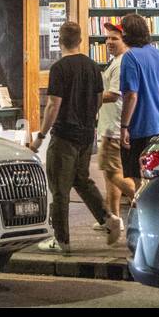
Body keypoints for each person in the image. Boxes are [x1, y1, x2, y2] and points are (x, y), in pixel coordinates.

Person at [30, 21, 120, 253]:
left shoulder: (59, 68)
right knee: (81, 179)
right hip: (86, 133)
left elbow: (53, 104)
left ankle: (61, 240)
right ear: (80, 40)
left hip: (65, 135)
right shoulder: (93, 67)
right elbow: (99, 97)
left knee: (60, 189)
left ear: (59, 40)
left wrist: (41, 135)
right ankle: (107, 219)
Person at [118, 13, 159, 183]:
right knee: (156, 178)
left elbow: (131, 95)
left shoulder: (130, 57)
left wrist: (124, 126)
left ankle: (140, 209)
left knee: (138, 180)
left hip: (140, 126)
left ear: (127, 34)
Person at [96, 22, 137, 226]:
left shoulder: (122, 63)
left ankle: (141, 198)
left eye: (115, 38)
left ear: (125, 40)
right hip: (110, 125)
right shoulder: (116, 61)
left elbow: (114, 94)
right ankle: (113, 218)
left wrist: (88, 97)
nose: (109, 42)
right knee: (111, 175)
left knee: (113, 174)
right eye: (108, 38)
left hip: (113, 126)